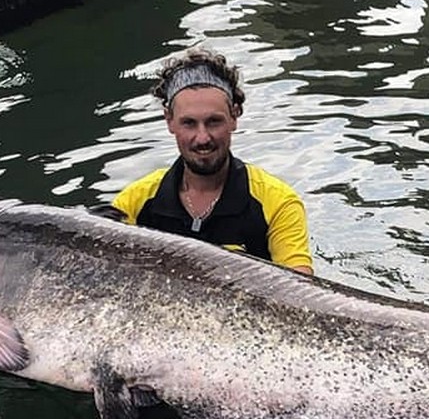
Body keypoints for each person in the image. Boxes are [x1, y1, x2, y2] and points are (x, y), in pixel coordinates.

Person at [109, 48, 314, 275]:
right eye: (189, 123)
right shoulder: (134, 203)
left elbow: (303, 290)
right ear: (170, 121)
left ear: (235, 116)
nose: (203, 138)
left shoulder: (278, 203)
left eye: (214, 122)